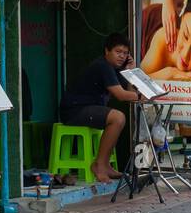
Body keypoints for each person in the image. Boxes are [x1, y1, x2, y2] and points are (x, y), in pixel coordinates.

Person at [62, 34, 158, 182]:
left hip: (89, 109)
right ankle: (99, 165)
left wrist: (130, 72)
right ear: (107, 51)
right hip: (74, 111)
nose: (122, 56)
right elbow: (121, 95)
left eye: (125, 53)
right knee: (118, 118)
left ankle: (105, 165)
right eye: (118, 52)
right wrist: (142, 96)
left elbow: (129, 93)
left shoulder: (114, 69)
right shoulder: (103, 66)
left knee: (118, 118)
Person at [141, 0, 191, 81]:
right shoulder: (164, 38)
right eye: (185, 36)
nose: (185, 55)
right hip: (149, 22)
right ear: (181, 19)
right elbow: (133, 83)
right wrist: (170, 73)